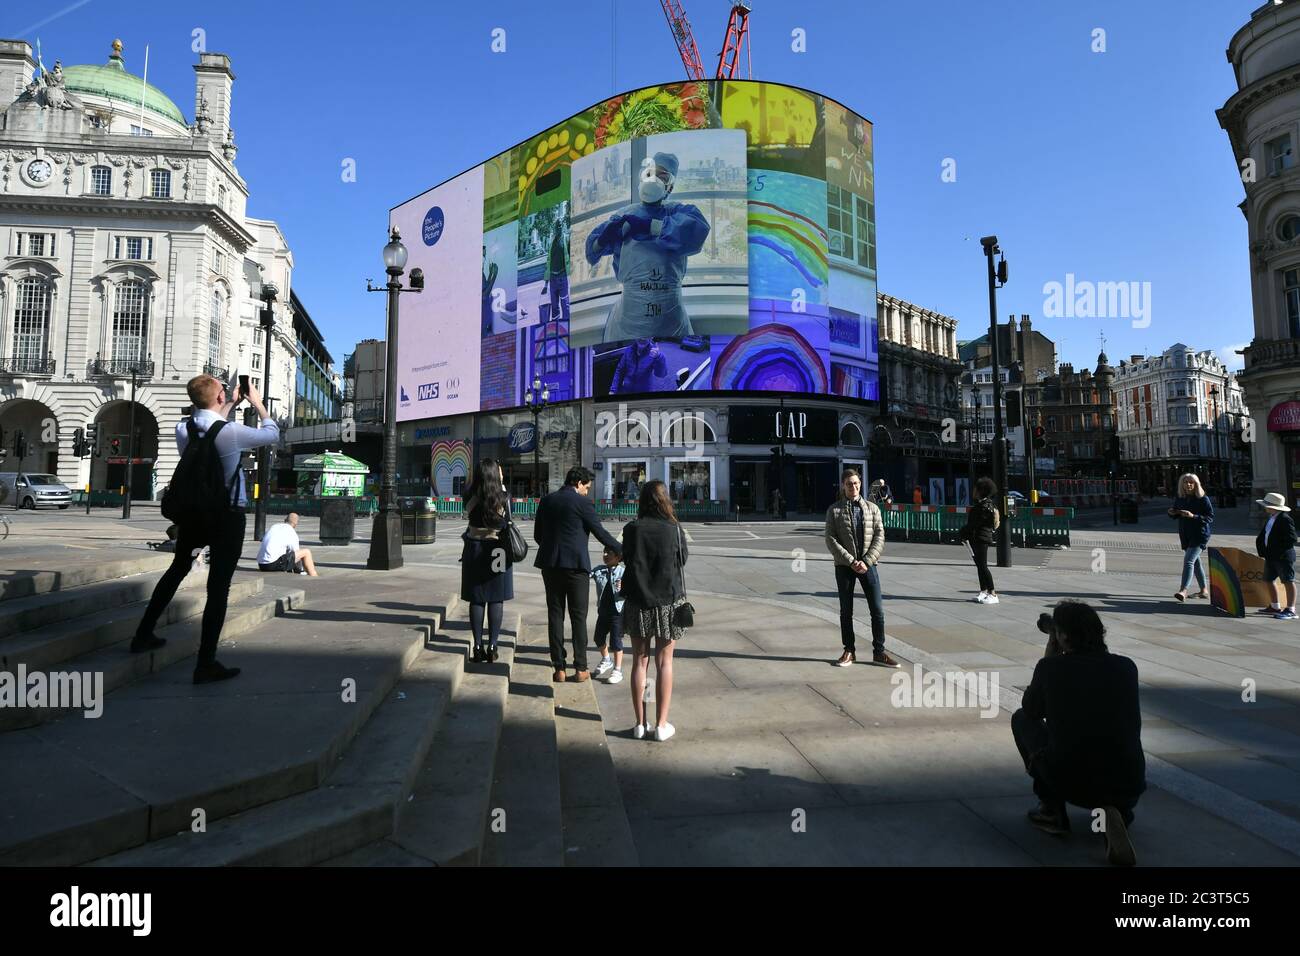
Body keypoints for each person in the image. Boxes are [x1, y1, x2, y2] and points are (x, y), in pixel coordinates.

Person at [131, 375, 279, 684]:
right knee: (218, 587)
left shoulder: (182, 429)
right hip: (227, 516)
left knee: (177, 569)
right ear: (220, 398)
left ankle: (143, 633)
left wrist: (229, 405)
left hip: (193, 514)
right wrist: (257, 404)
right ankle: (206, 662)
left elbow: (210, 429)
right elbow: (271, 433)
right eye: (223, 391)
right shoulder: (233, 433)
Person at [1011, 600, 1145, 866]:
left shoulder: (1051, 668)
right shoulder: (1126, 667)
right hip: (1128, 783)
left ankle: (1051, 810)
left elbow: (1032, 710)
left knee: (1022, 720)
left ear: (1062, 636)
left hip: (1072, 782)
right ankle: (1117, 813)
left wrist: (1048, 658)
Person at [584, 151, 710, 343]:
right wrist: (602, 239)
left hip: (669, 317)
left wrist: (651, 226)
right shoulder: (623, 216)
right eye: (650, 173)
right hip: (631, 316)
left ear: (670, 187)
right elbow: (591, 252)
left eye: (662, 176)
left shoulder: (678, 212)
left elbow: (697, 232)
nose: (654, 180)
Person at [534, 465, 623, 682]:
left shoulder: (546, 501)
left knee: (555, 615)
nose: (587, 491)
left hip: (550, 565)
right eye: (587, 487)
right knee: (578, 617)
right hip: (576, 567)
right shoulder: (583, 503)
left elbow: (538, 535)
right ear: (578, 483)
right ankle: (581, 668)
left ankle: (559, 667)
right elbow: (600, 532)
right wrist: (621, 550)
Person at [621, 479, 688, 741]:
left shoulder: (632, 529)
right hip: (666, 601)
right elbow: (682, 559)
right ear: (665, 500)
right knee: (664, 662)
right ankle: (661, 725)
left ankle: (640, 724)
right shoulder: (673, 528)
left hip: (638, 601)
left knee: (639, 661)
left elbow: (627, 558)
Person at [824, 468, 899, 668]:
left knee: (877, 610)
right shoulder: (834, 510)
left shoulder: (872, 508)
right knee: (846, 611)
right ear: (843, 486)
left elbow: (879, 536)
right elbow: (830, 540)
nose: (853, 487)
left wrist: (866, 561)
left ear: (860, 484)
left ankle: (879, 652)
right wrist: (851, 561)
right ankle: (849, 651)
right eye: (849, 484)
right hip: (845, 567)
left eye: (856, 483)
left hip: (869, 565)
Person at [460, 458, 515, 662]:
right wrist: (500, 483)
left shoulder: (469, 495)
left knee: (477, 597)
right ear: (495, 474)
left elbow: (469, 510)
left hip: (474, 548)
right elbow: (507, 521)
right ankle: (493, 645)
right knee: (495, 596)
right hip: (497, 550)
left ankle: (477, 646)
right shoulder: (503, 496)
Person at [1168, 473, 1213, 602]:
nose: (1188, 484)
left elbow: (1210, 517)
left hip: (1200, 535)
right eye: (1185, 482)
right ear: (1181, 484)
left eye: (1191, 482)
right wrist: (1172, 512)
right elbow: (1176, 513)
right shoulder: (1180, 498)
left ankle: (1183, 590)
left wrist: (1193, 516)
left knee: (1189, 561)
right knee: (1196, 562)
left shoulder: (1203, 498)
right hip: (1185, 534)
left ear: (1196, 484)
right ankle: (1204, 590)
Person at [1255, 492, 1297, 620]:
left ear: (1273, 506)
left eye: (1266, 505)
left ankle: (1291, 609)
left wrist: (1278, 551)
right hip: (1271, 556)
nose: (1265, 507)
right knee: (1268, 580)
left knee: (1288, 580)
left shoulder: (1285, 519)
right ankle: (1275, 606)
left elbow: (1291, 538)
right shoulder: (1272, 517)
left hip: (1282, 556)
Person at [959, 477, 1000, 604]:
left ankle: (993, 593)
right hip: (979, 537)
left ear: (981, 490)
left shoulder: (983, 507)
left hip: (981, 538)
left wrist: (962, 532)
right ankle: (983, 590)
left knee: (982, 566)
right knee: (979, 565)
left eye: (975, 489)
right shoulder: (987, 505)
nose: (973, 491)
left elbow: (974, 524)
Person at [590, 546, 626, 684]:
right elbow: (586, 575)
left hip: (617, 612)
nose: (605, 555)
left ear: (618, 557)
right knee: (598, 637)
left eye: (609, 553)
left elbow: (631, 589)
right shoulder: (599, 569)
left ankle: (617, 670)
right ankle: (606, 660)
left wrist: (624, 586)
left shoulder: (623, 572)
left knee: (615, 642)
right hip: (603, 611)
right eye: (604, 552)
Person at [542, 221, 569, 324]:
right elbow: (548, 262)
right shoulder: (551, 241)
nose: (558, 228)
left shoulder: (566, 238)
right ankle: (555, 328)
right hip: (553, 280)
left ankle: (566, 325)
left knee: (565, 304)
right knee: (554, 307)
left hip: (562, 278)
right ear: (554, 229)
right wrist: (545, 284)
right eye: (556, 227)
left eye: (560, 226)